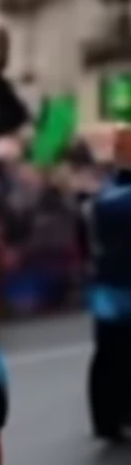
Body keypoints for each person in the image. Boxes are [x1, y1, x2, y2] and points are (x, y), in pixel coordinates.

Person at [86, 128, 131, 440]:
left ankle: (108, 420)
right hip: (117, 283)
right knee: (113, 353)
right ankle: (115, 416)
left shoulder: (103, 194)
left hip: (108, 284)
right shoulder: (113, 197)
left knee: (108, 353)